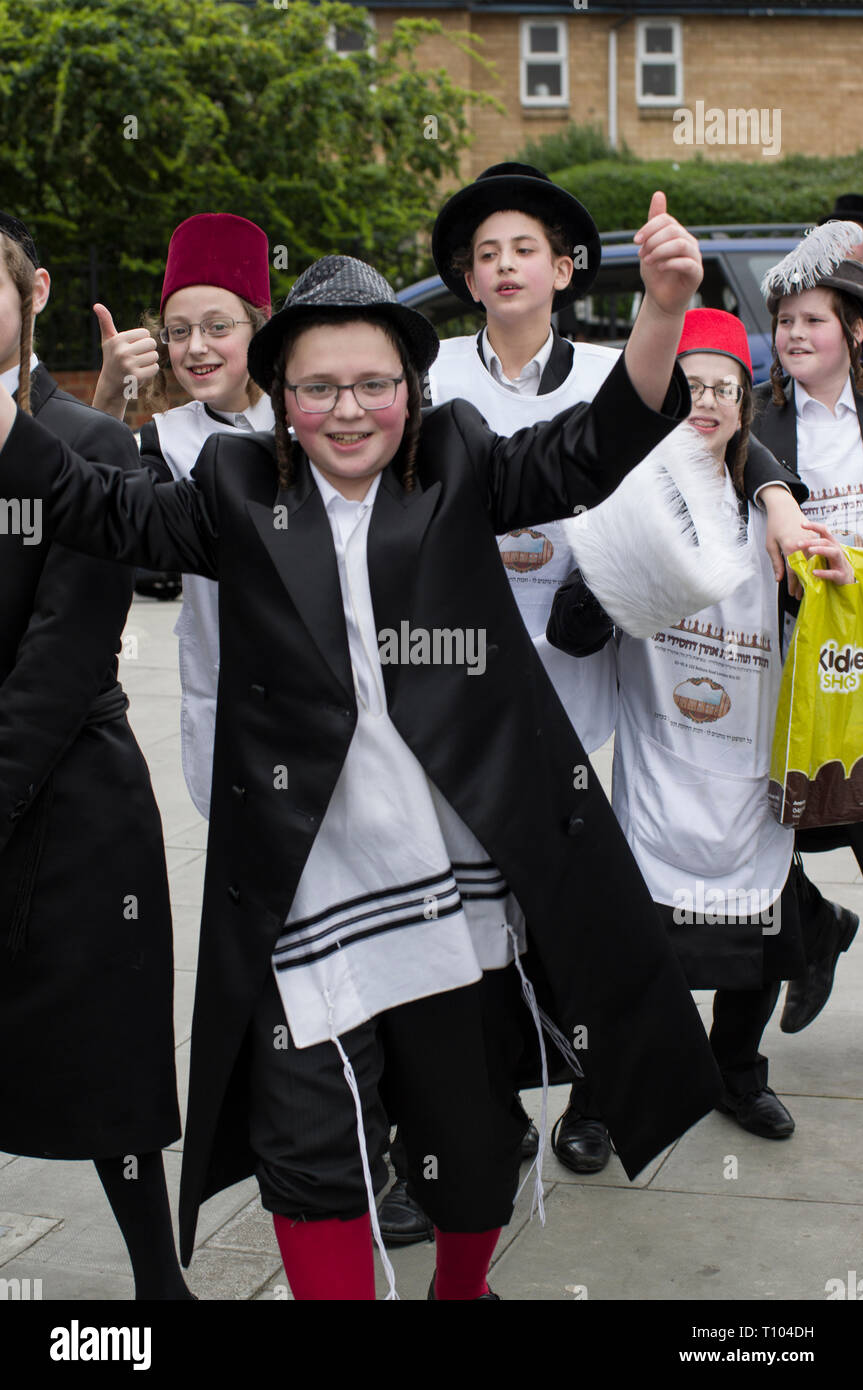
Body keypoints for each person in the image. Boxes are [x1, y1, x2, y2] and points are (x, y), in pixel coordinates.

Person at [0, 200, 724, 1302]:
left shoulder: (459, 462)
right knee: (309, 1157)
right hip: (303, 888)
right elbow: (103, 511)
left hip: (454, 881)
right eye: (319, 387)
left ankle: (460, 1289)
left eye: (374, 383)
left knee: (472, 1149)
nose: (349, 411)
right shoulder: (239, 487)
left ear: (412, 391)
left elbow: (591, 449)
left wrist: (664, 311)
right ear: (281, 400)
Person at [409, 162, 821, 1195]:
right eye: (484, 252)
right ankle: (475, 1118)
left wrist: (776, 495)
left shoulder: (616, 363)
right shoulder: (430, 381)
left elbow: (711, 427)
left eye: (524, 249)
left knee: (581, 920)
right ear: (466, 275)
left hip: (589, 699)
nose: (503, 266)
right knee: (466, 926)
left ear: (565, 267)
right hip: (462, 693)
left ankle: (611, 1088)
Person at [548, 307, 856, 1140]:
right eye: (688, 387)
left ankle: (735, 1072)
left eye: (723, 388)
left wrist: (818, 584)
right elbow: (570, 631)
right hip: (662, 759)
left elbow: (824, 623)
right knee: (636, 952)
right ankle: (598, 1101)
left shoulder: (775, 507)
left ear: (745, 409)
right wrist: (621, 583)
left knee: (760, 942)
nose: (706, 402)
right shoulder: (623, 497)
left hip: (751, 757)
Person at [0, 212, 190, 1299]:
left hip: (72, 803)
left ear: (32, 296)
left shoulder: (89, 444)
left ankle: (159, 1286)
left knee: (107, 1067)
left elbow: (61, 660)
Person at [90, 214, 274, 819]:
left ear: (260, 327)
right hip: (226, 692)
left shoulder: (315, 417)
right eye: (177, 331)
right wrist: (111, 395)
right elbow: (96, 506)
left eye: (218, 326)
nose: (195, 347)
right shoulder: (162, 443)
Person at [755, 222, 863, 1033]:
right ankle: (814, 929)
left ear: (855, 329)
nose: (793, 334)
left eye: (812, 320)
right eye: (784, 321)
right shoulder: (755, 425)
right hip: (788, 666)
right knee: (765, 832)